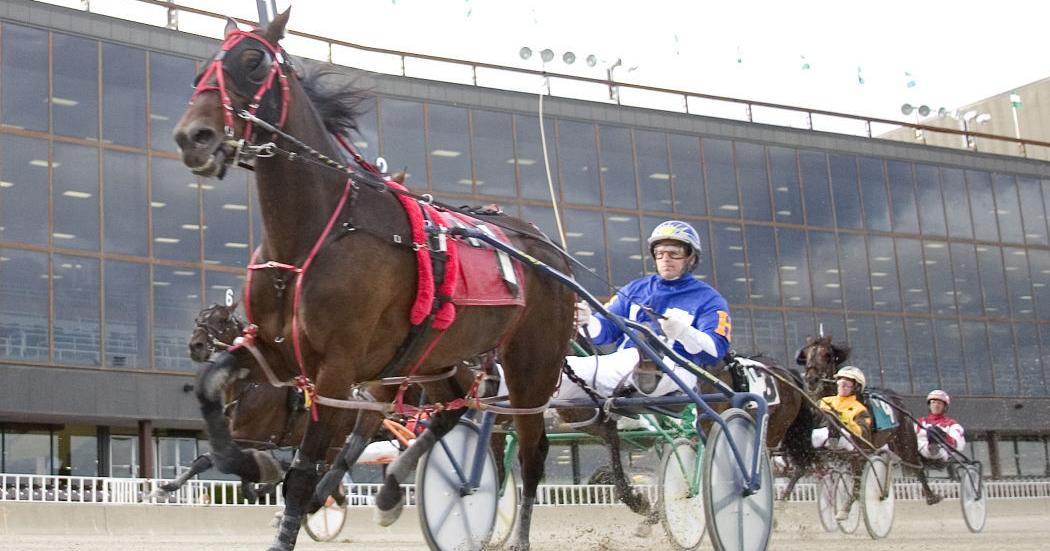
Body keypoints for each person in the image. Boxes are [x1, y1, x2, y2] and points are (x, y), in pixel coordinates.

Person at [557, 220, 732, 401]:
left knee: (644, 373)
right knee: (558, 372)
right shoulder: (634, 289)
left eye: (674, 253)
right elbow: (606, 333)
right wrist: (588, 322)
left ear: (691, 258)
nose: (666, 259)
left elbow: (715, 351)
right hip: (622, 362)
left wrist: (685, 333)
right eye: (660, 253)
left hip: (677, 368)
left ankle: (633, 410)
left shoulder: (709, 299)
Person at [811, 366, 871, 452]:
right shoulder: (824, 401)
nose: (842, 386)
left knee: (833, 419)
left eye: (847, 384)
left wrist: (849, 423)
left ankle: (832, 445)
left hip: (845, 440)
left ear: (856, 388)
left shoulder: (860, 409)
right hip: (819, 436)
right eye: (840, 383)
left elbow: (862, 433)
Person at [915, 389, 965, 463]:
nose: (936, 405)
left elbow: (958, 444)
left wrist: (943, 435)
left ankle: (933, 447)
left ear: (944, 407)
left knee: (933, 432)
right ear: (929, 405)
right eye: (933, 402)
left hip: (940, 453)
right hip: (917, 451)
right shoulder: (919, 422)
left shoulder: (952, 424)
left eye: (939, 403)